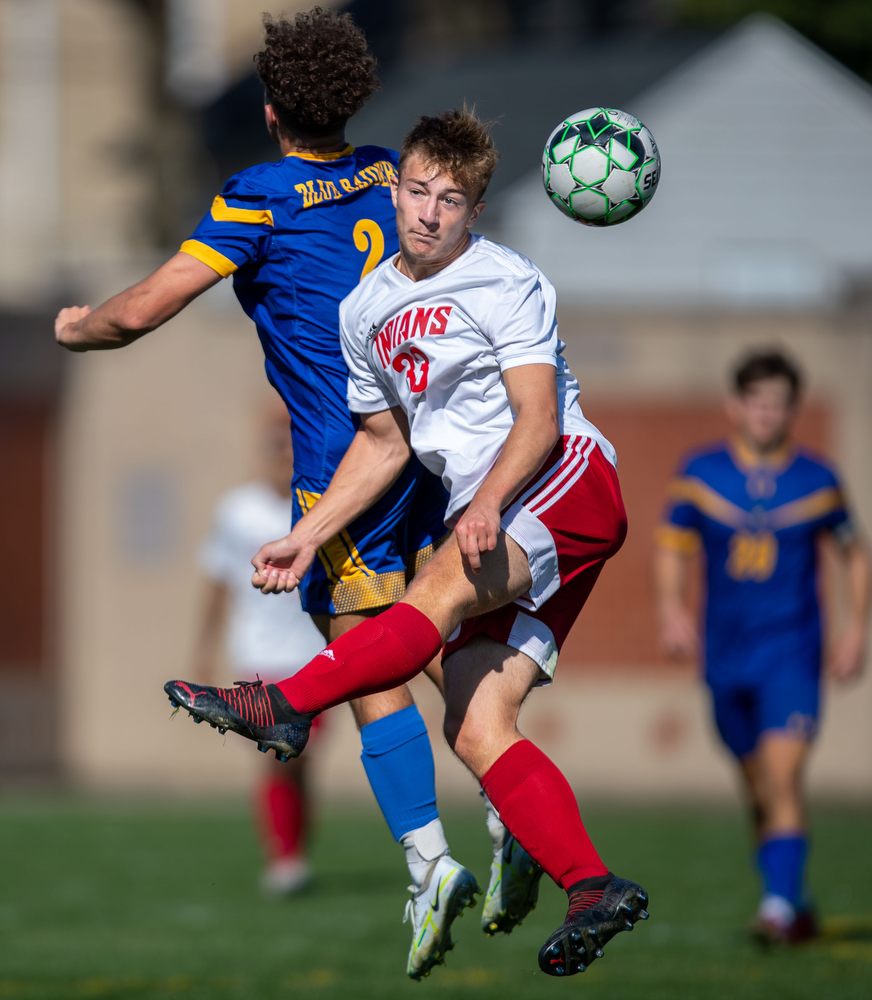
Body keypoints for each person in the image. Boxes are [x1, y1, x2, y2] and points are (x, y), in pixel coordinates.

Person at [54, 8, 537, 979]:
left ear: (268, 110)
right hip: (435, 448)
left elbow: (144, 309)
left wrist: (80, 326)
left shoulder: (256, 197)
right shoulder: (380, 173)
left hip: (346, 462)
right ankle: (507, 804)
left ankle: (432, 860)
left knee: (367, 658)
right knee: (422, 633)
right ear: (354, 99)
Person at [165, 107, 650, 979]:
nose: (429, 213)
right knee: (474, 722)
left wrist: (489, 500)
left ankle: (286, 706)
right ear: (397, 188)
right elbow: (384, 443)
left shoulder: (506, 281)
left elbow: (539, 420)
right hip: (506, 509)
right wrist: (308, 535)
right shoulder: (367, 306)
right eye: (418, 191)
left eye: (451, 199)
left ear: (475, 209)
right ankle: (591, 884)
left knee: (432, 588)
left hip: (563, 484)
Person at [653, 349, 872, 944]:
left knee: (781, 777)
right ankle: (793, 899)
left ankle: (775, 908)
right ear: (736, 405)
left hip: (792, 655)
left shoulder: (819, 480)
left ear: (793, 409)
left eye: (777, 403)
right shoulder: (701, 474)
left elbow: (856, 554)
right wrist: (672, 609)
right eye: (756, 401)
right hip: (725, 657)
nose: (766, 413)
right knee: (757, 788)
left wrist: (856, 630)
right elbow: (672, 544)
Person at [194, 405, 327, 894]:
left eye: (291, 442)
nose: (284, 452)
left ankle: (297, 850)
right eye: (276, 443)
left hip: (314, 652)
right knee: (276, 751)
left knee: (302, 760)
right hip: (258, 654)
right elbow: (218, 583)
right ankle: (284, 859)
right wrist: (204, 649)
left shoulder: (322, 506)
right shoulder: (237, 510)